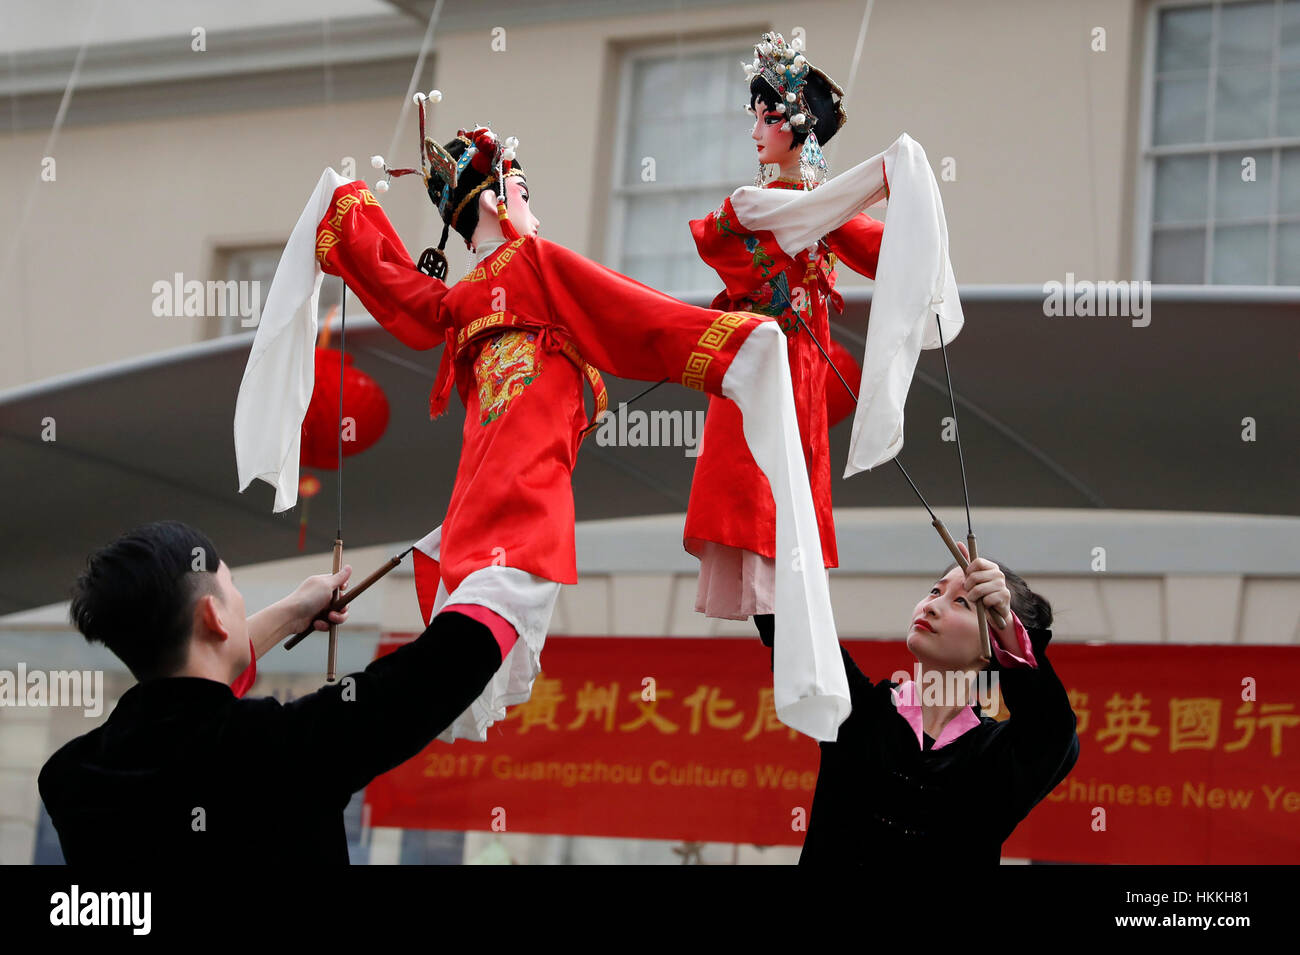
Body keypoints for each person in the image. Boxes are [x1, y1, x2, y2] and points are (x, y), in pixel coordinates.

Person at [298, 100, 847, 743]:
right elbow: (634, 315)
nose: (535, 212)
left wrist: (347, 211)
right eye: (524, 194)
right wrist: (739, 344)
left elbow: (396, 287)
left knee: (450, 660)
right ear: (498, 202)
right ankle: (327, 737)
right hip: (527, 502)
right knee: (465, 650)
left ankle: (329, 732)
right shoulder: (534, 262)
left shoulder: (456, 303)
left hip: (476, 505)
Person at [38, 520, 516, 864]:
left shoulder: (70, 777)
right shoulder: (279, 747)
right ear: (212, 615)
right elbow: (446, 665)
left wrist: (293, 611)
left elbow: (194, 690)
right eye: (232, 585)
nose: (241, 600)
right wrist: (516, 555)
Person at [684, 31, 886, 642]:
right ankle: (788, 628)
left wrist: (905, 194)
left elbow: (880, 249)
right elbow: (721, 236)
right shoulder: (766, 202)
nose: (756, 132)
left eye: (768, 118)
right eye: (756, 118)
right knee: (757, 487)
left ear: (798, 127)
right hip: (763, 358)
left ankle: (796, 633)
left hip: (793, 363)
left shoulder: (815, 206)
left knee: (780, 490)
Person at [770, 543, 1081, 864]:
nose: (932, 607)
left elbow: (1052, 730)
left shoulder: (999, 755)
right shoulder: (861, 711)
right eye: (935, 591)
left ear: (997, 642)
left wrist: (1010, 631)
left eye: (961, 602)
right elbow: (792, 625)